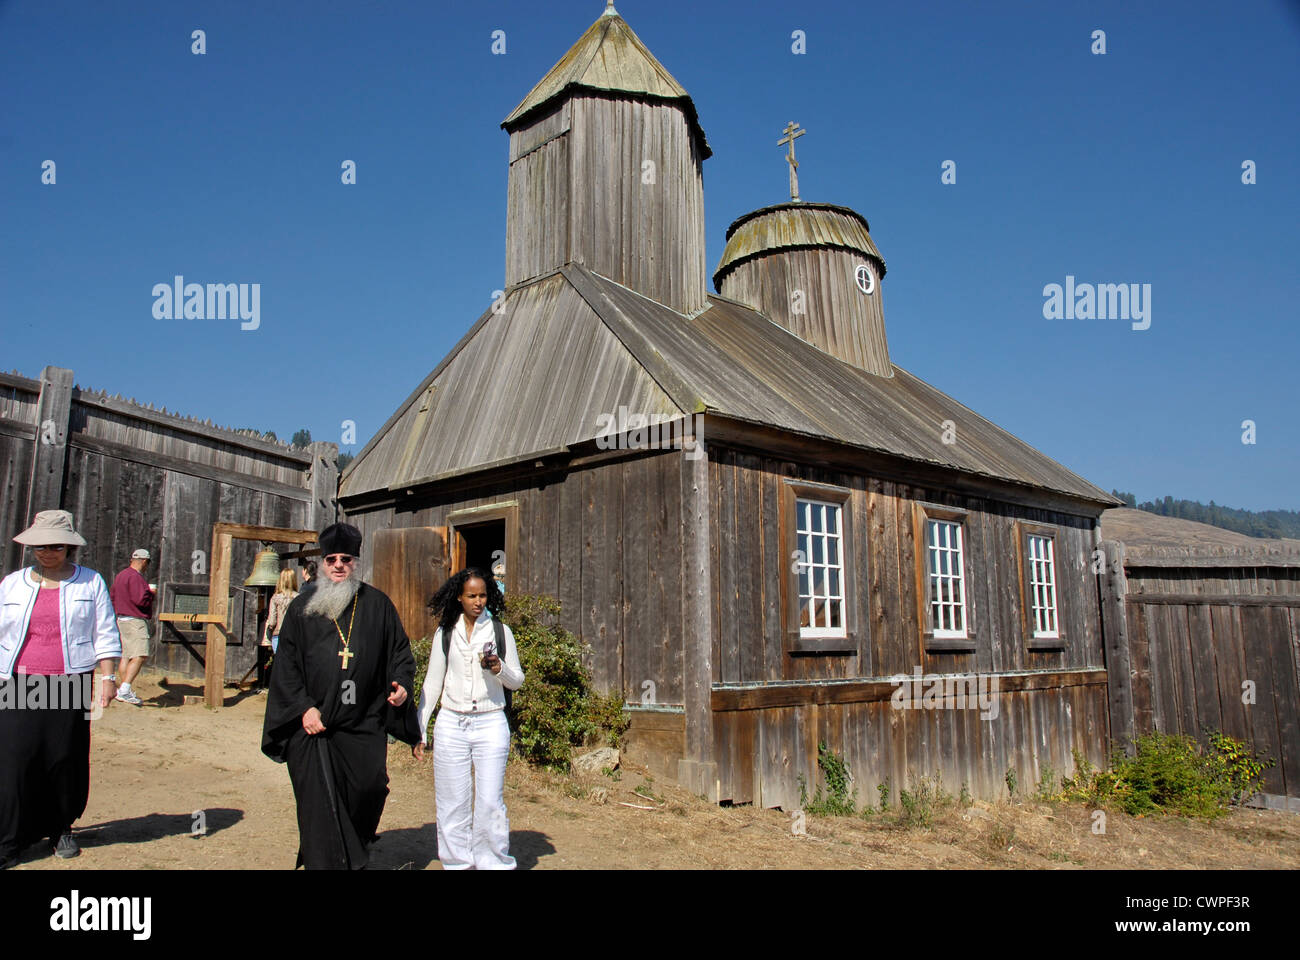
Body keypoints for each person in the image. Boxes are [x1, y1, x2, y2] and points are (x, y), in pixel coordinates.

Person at [260, 523, 420, 869]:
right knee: (318, 807)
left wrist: (401, 684)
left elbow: (400, 654)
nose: (338, 565)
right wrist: (303, 708)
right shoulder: (302, 608)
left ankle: (354, 848)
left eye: (345, 559)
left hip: (363, 725)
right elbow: (286, 666)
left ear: (355, 562)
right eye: (331, 559)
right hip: (313, 728)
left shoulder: (378, 605)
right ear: (322, 563)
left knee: (370, 789)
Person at [0, 510, 121, 869]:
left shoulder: (90, 582)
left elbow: (105, 631)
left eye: (55, 546)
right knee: (14, 760)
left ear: (69, 547)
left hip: (70, 681)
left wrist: (108, 678)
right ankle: (9, 839)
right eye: (40, 546)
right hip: (19, 681)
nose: (47, 552)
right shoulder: (13, 583)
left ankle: (59, 828)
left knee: (63, 758)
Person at [413, 567, 524, 870]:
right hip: (452, 723)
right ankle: (457, 863)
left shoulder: (500, 631)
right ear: (459, 598)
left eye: (483, 595)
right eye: (471, 596)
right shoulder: (445, 633)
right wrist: (420, 728)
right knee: (452, 801)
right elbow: (432, 682)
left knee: (490, 802)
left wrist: (500, 668)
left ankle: (494, 863)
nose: (478, 601)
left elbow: (517, 681)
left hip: (490, 722)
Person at [109, 548, 154, 705]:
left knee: (126, 655)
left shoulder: (121, 575)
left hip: (122, 619)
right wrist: (151, 593)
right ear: (144, 561)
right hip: (135, 620)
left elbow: (112, 597)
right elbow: (140, 600)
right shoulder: (135, 577)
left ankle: (124, 689)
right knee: (140, 654)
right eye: (148, 563)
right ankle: (125, 690)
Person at [263, 568, 299, 654]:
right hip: (294, 636)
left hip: (278, 635)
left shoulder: (275, 598)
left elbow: (272, 622)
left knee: (280, 660)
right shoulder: (298, 598)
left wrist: (269, 630)